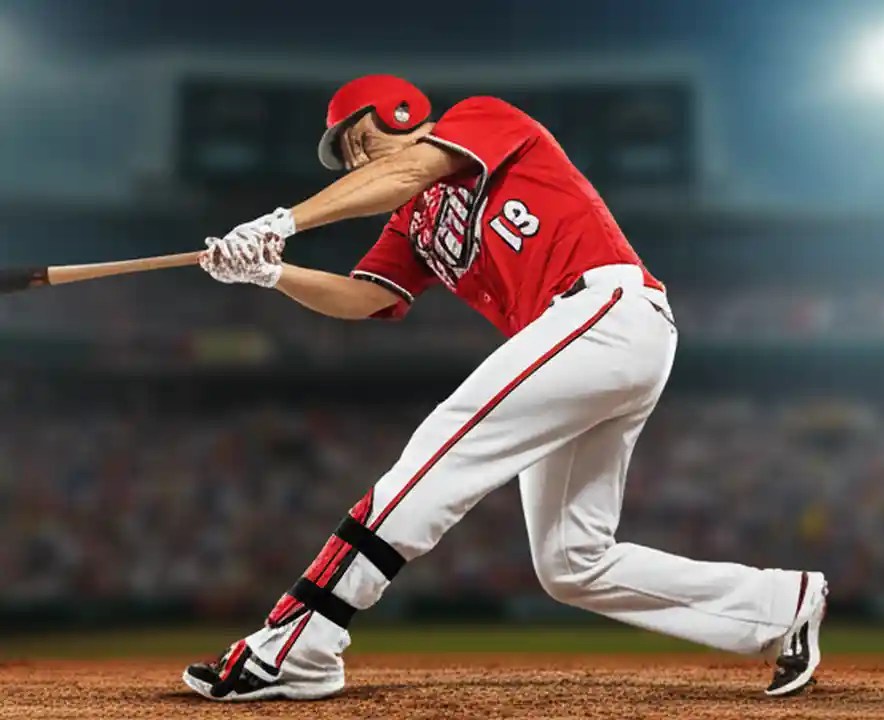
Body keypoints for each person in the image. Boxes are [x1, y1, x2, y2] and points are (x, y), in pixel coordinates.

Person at [181, 75, 827, 702]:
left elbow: (403, 174)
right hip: (587, 344)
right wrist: (274, 272)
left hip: (605, 310)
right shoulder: (411, 223)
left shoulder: (480, 118)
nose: (350, 156)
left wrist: (281, 221)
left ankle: (300, 644)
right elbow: (369, 298)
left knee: (441, 445)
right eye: (342, 151)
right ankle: (779, 608)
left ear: (401, 111)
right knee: (571, 563)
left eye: (356, 136)